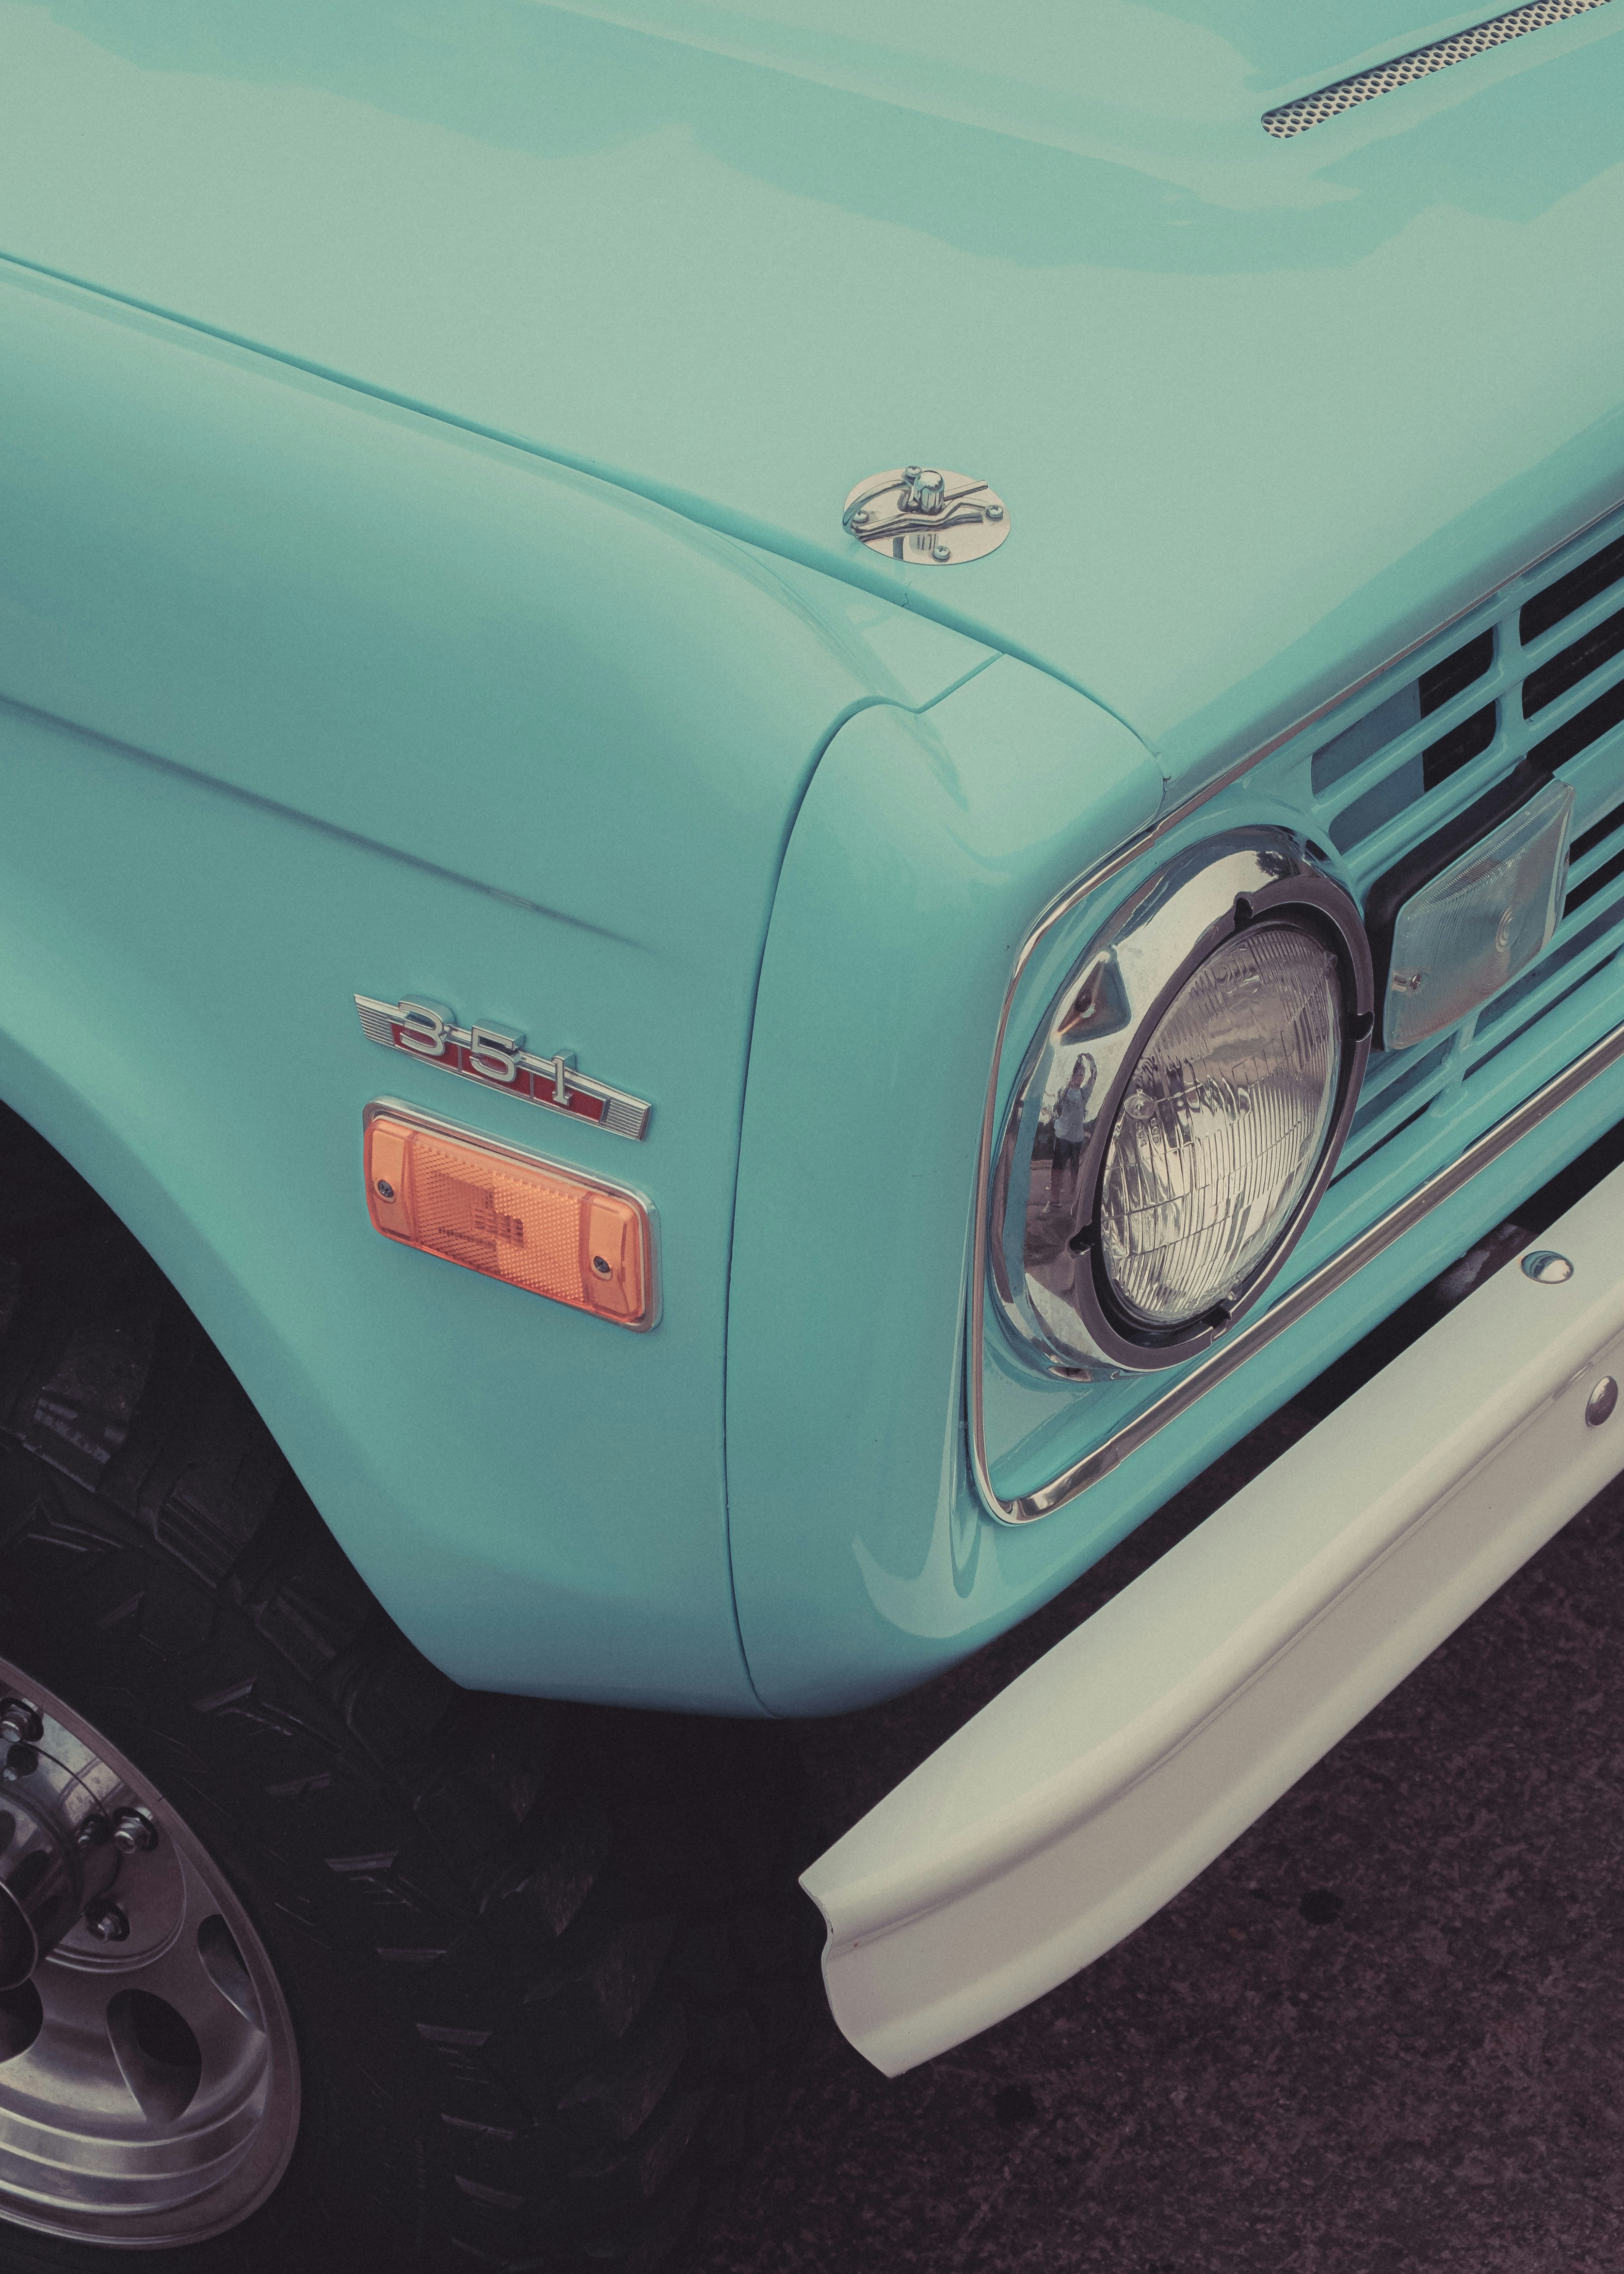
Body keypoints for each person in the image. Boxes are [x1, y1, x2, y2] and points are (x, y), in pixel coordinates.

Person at [1048, 1056, 1093, 1210]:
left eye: (1081, 1075)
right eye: (1077, 1075)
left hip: (1076, 1138)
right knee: (1058, 1169)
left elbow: (1093, 1080)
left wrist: (1092, 1062)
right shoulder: (1064, 1091)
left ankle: (1075, 1200)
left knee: (1075, 1170)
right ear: (1071, 1075)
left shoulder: (1084, 1093)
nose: (1079, 1078)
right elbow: (1056, 1106)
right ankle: (1055, 1200)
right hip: (1062, 1136)